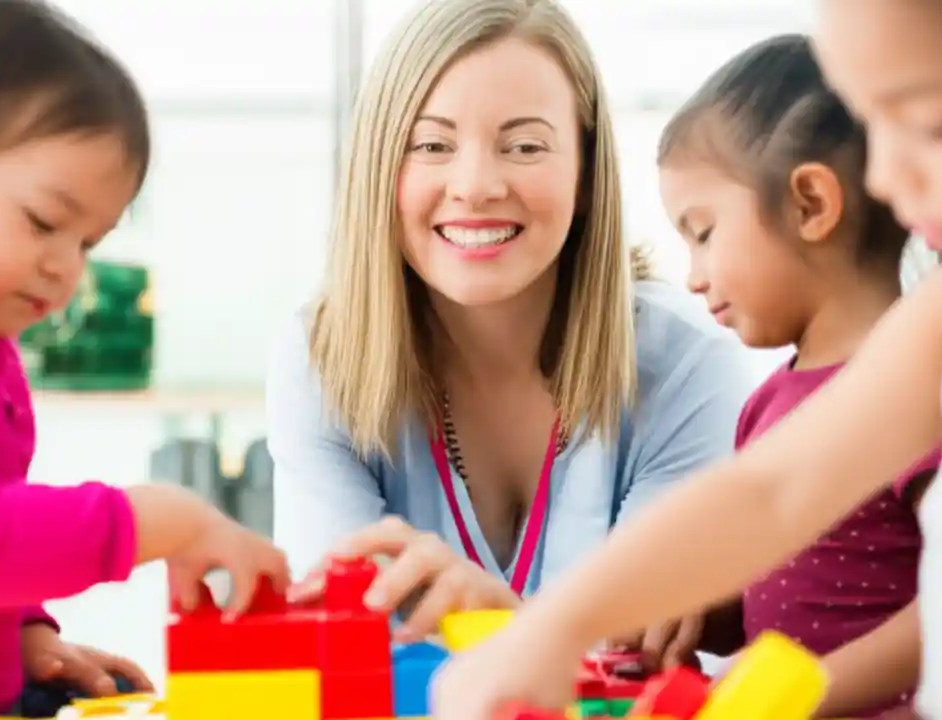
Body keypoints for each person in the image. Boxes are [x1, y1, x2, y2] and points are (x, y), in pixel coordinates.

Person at [430, 0, 942, 718]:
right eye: (874, 128)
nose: (883, 179)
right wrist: (559, 623)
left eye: (934, 123)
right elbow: (774, 490)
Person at [0, 1, 289, 717]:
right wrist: (160, 519)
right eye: (43, 223)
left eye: (87, 243)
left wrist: (22, 627)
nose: (67, 271)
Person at [266, 0, 752, 643]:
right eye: (432, 144)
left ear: (586, 169)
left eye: (525, 145)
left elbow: (640, 651)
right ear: (380, 168)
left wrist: (498, 626)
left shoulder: (687, 366)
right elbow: (339, 644)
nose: (474, 185)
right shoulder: (319, 362)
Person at [630, 35, 941, 718]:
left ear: (809, 205)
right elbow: (785, 596)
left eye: (703, 232)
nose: (693, 276)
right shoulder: (769, 403)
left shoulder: (918, 391)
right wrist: (699, 613)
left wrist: (788, 698)